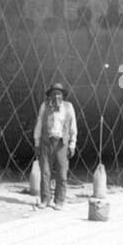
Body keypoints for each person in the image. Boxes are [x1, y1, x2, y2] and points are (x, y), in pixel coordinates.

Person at [33, 82, 77, 210]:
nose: (56, 96)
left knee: (62, 173)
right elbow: (39, 124)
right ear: (50, 96)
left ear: (63, 95)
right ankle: (45, 199)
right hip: (46, 143)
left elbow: (73, 127)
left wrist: (72, 144)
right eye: (54, 94)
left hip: (62, 144)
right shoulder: (44, 106)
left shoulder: (69, 107)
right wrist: (36, 142)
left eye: (59, 94)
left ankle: (59, 200)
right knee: (45, 173)